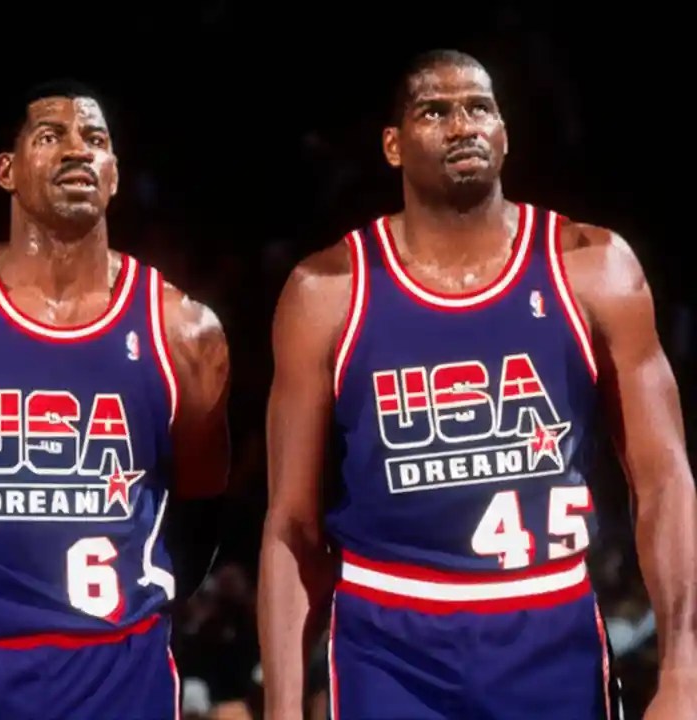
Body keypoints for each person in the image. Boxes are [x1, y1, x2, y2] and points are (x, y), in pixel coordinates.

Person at [260, 49, 696, 720]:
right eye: (435, 111)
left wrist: (683, 672)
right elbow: (291, 524)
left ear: (505, 133)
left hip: (552, 628)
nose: (463, 126)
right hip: (389, 642)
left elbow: (663, 478)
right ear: (393, 145)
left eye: (479, 108)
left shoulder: (594, 268)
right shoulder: (325, 294)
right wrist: (285, 708)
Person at [0, 79, 231, 719]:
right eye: (52, 136)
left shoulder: (183, 330)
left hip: (121, 671)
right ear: (7, 169)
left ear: (113, 175)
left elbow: (201, 512)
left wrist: (139, 617)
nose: (78, 151)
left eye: (96, 139)